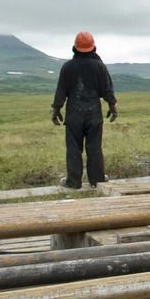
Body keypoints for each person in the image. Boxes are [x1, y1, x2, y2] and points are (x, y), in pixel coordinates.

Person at [51, 30, 117, 189]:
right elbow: (107, 89)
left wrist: (56, 110)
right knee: (94, 147)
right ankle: (97, 181)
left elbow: (61, 90)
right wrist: (112, 106)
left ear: (75, 47)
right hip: (94, 113)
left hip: (74, 113)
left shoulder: (68, 67)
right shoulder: (99, 66)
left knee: (73, 148)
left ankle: (73, 182)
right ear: (93, 47)